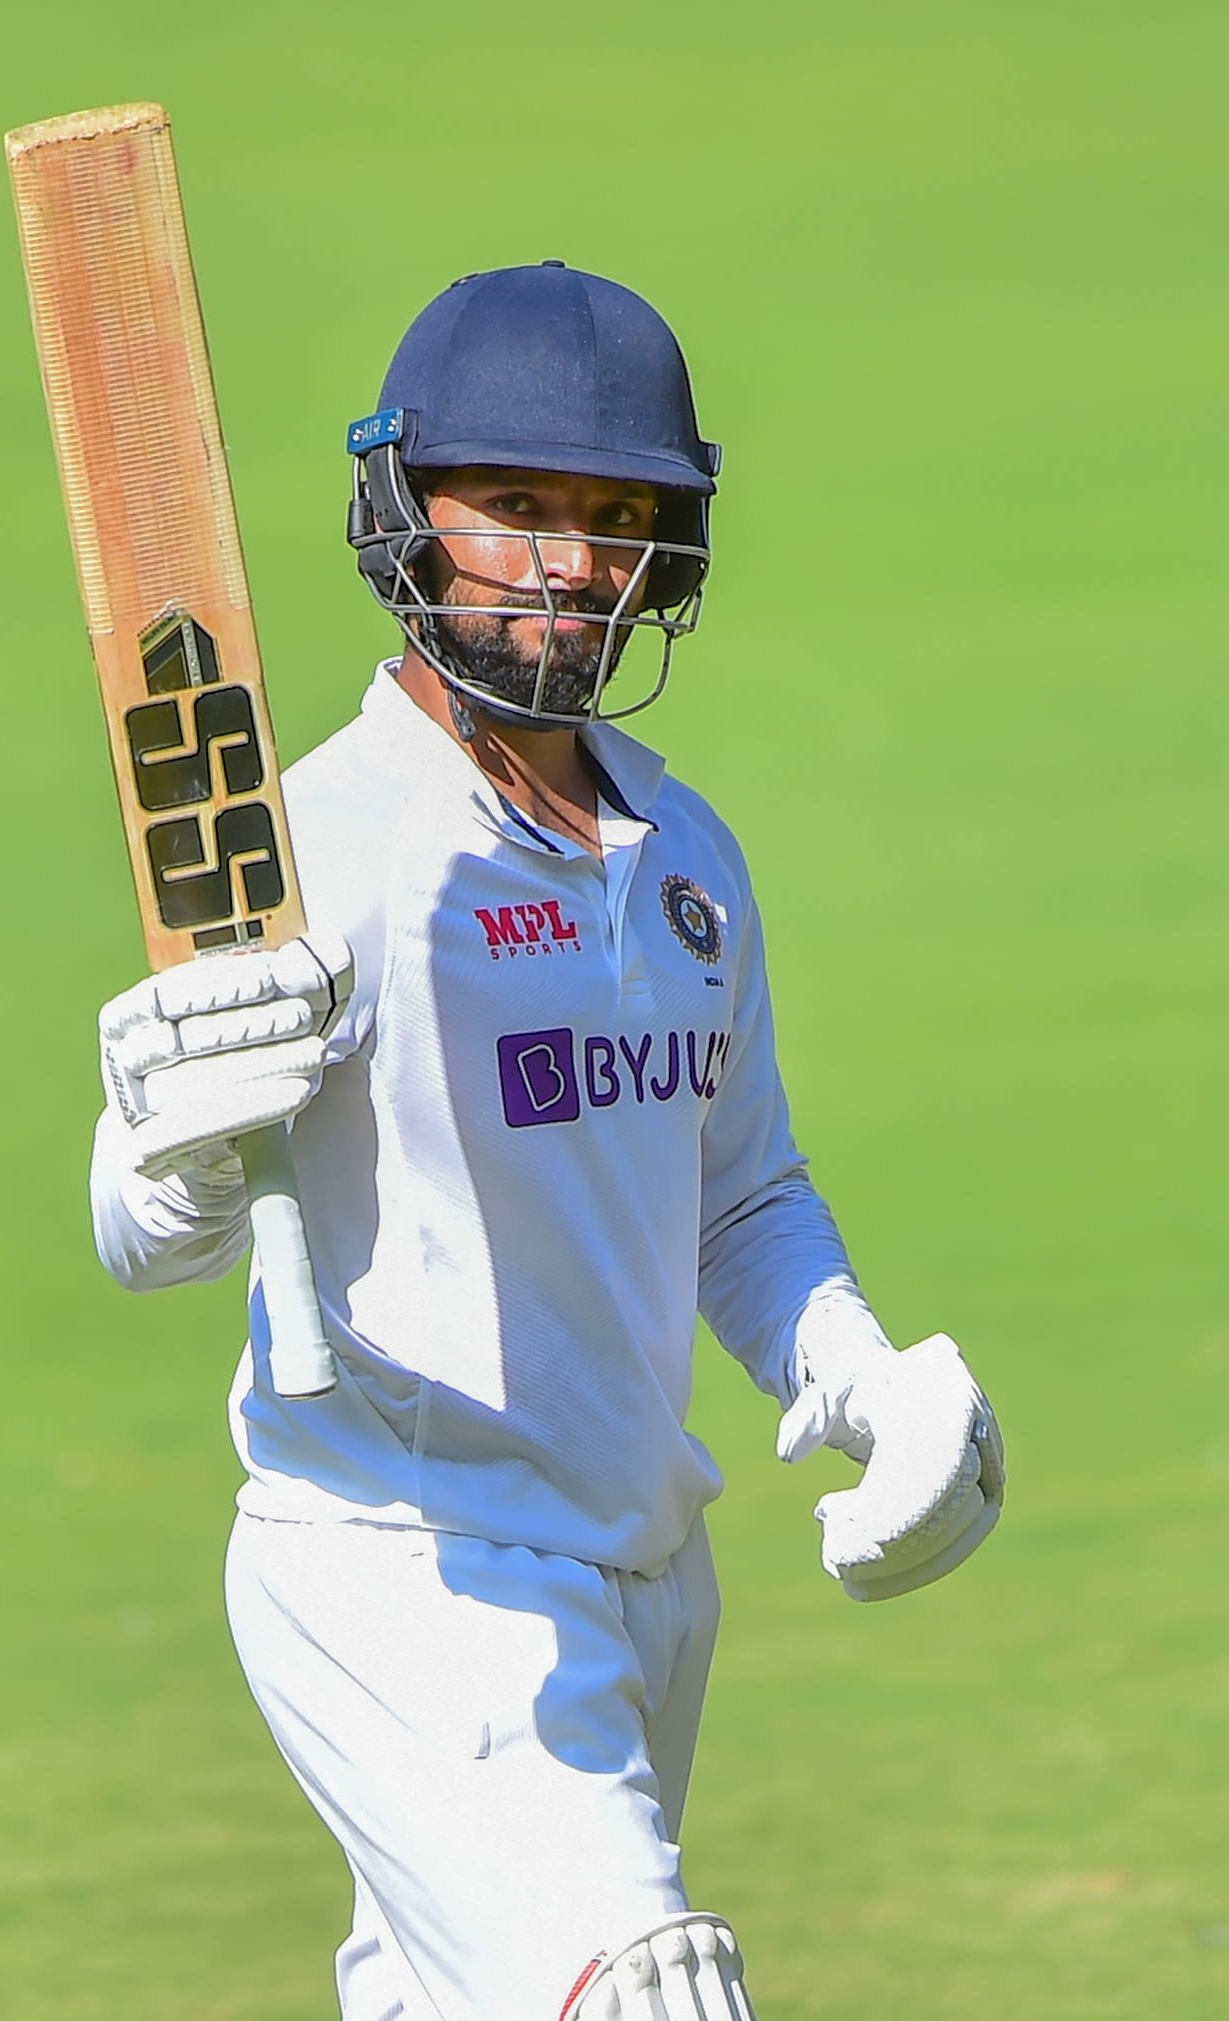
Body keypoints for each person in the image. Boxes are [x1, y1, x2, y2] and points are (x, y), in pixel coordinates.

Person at [89, 262, 1005, 2021]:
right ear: (405, 516)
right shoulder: (313, 846)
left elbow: (741, 1193)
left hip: (649, 1579)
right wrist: (178, 1152)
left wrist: (863, 1373)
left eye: (613, 515)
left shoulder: (686, 854)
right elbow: (145, 1225)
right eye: (514, 507)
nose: (572, 561)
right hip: (406, 1564)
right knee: (639, 1994)